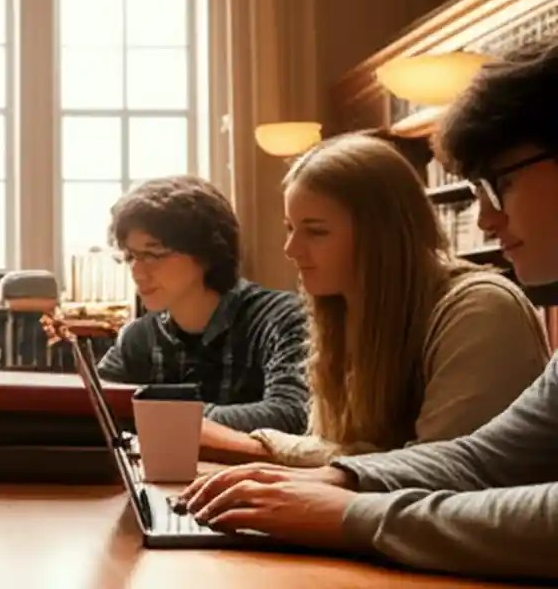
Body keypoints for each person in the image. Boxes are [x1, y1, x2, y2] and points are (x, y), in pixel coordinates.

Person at [181, 42, 558, 581]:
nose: (485, 222)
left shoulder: (479, 307)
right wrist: (338, 480)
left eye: (503, 182)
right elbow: (480, 457)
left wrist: (349, 511)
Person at [199, 134, 549, 467]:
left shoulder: (481, 310)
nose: (291, 250)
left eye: (316, 231)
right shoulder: (340, 311)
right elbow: (343, 451)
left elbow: (438, 471)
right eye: (291, 228)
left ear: (382, 235)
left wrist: (262, 447)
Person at [96, 176, 310, 434]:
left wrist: (161, 413)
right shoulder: (138, 337)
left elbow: (291, 415)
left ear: (207, 252)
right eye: (131, 256)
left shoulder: (281, 319)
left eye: (153, 255)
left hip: (253, 473)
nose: (137, 272)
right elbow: (94, 409)